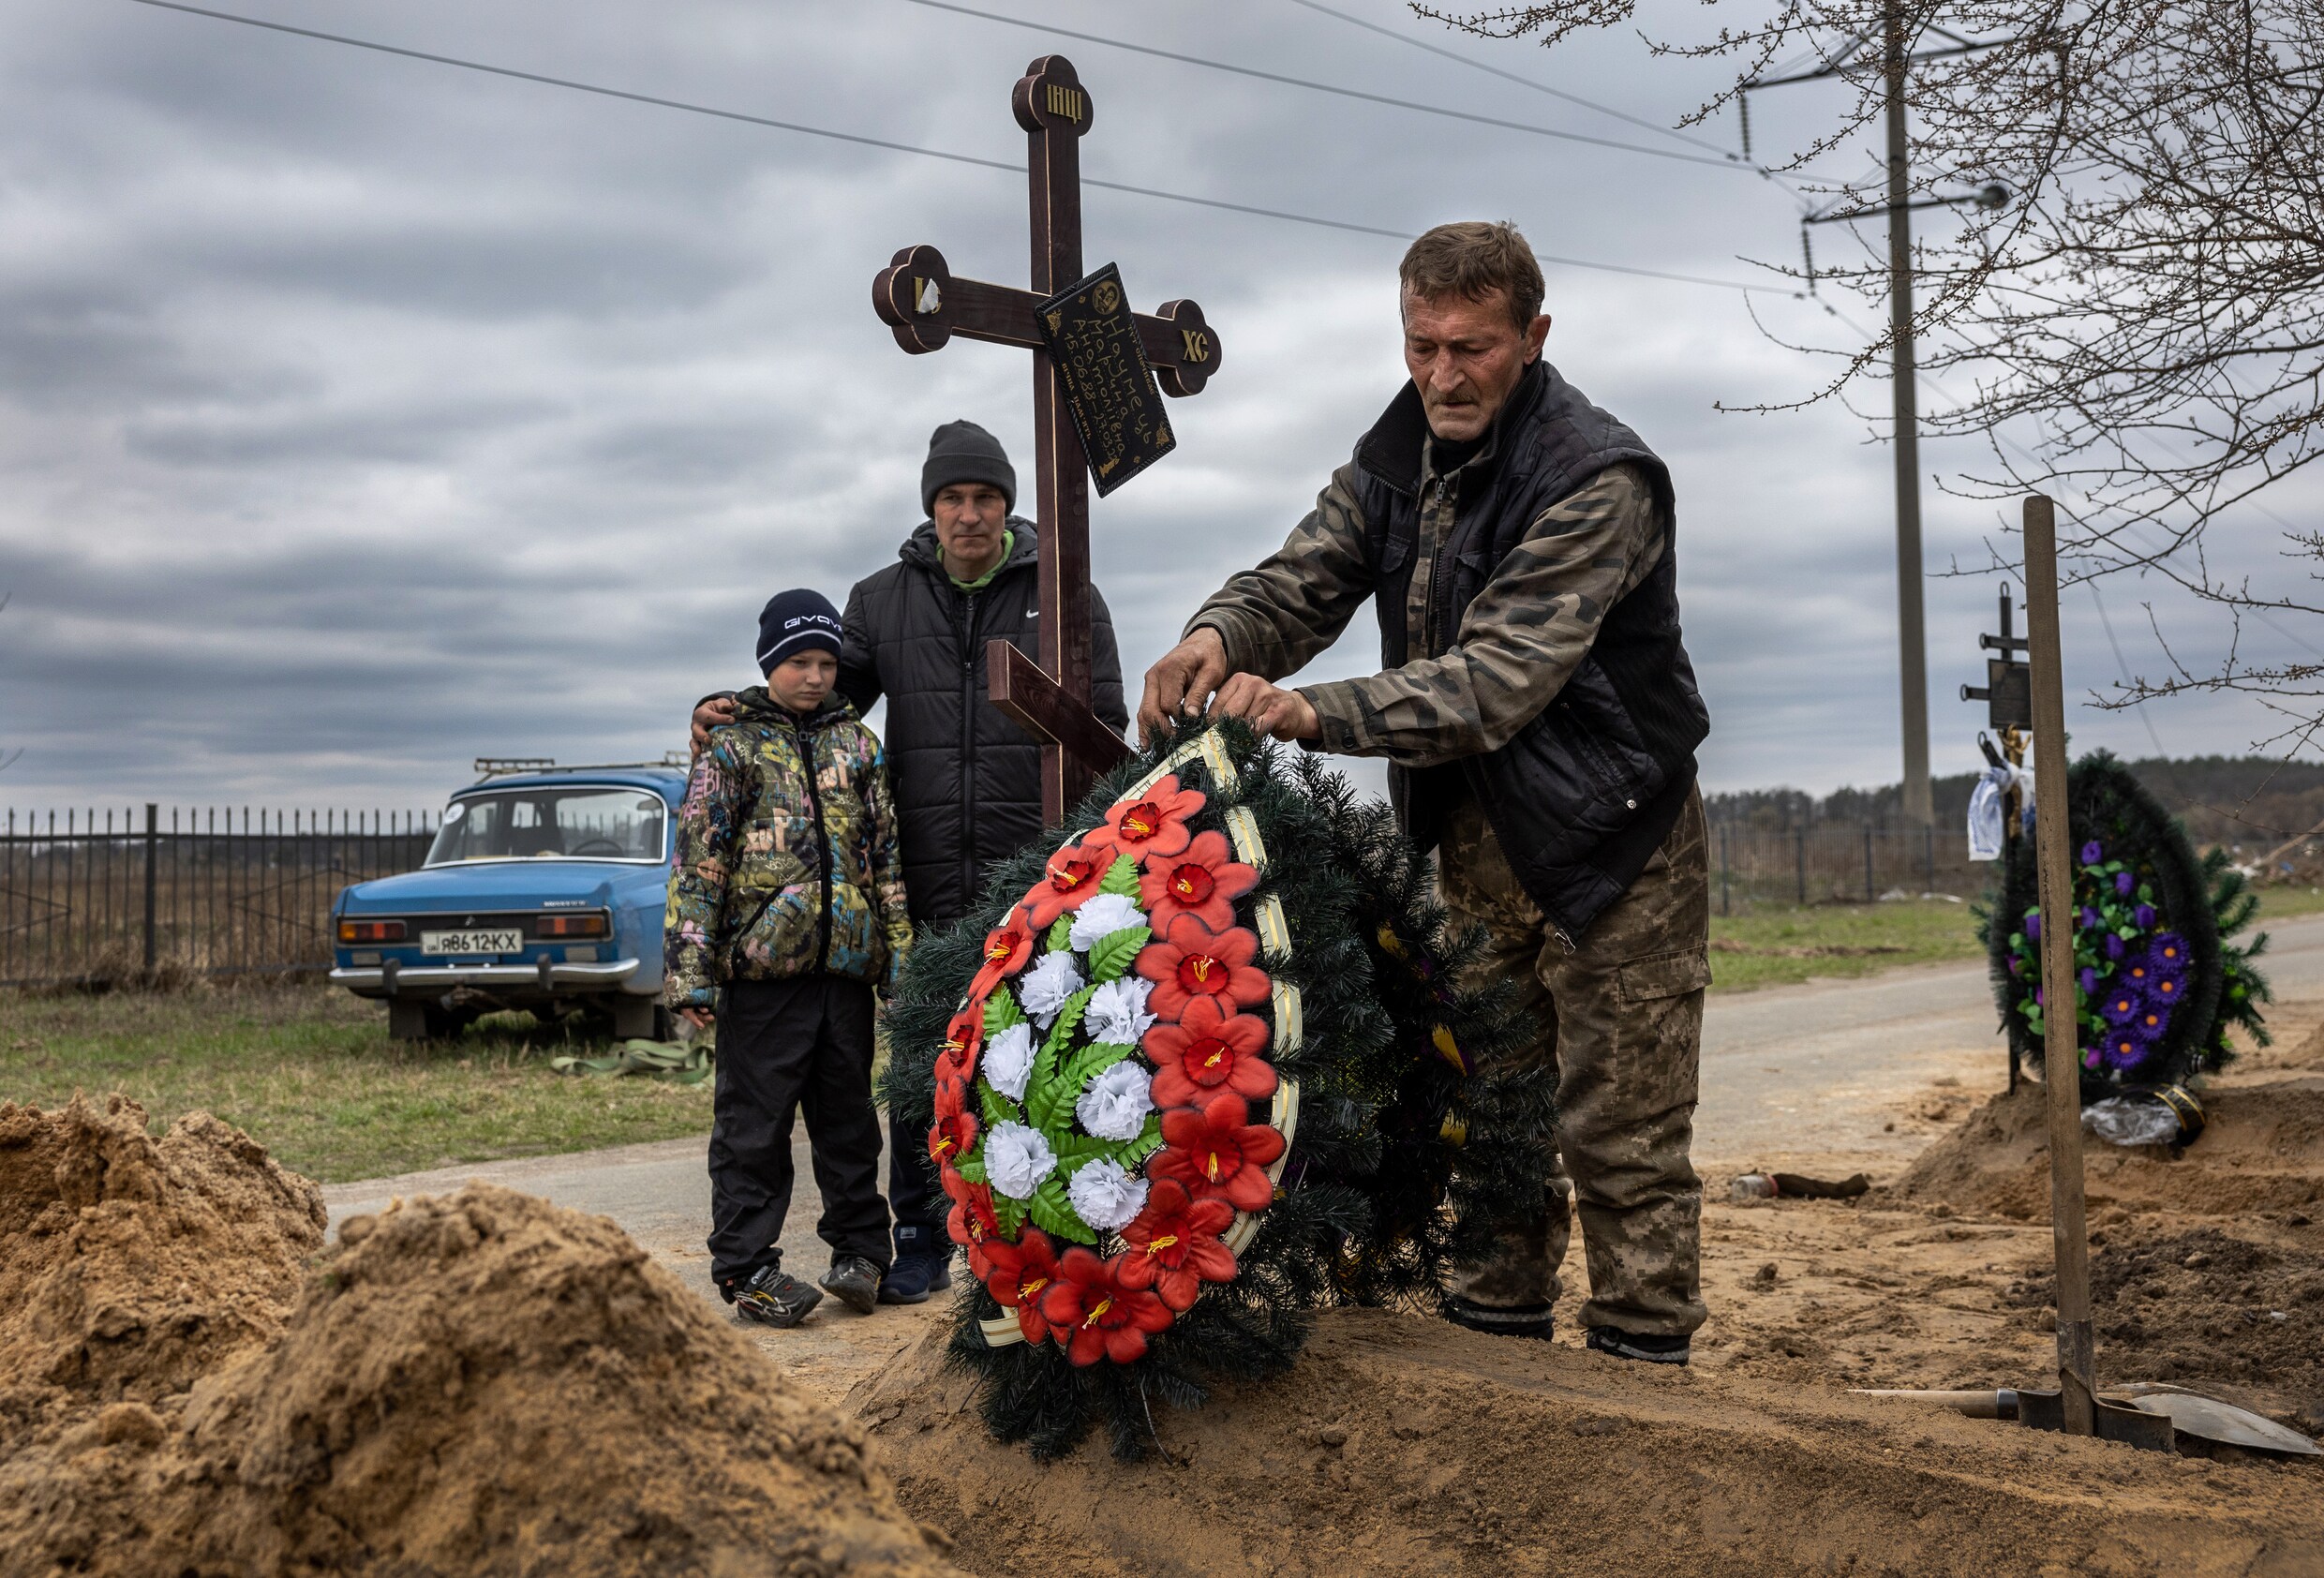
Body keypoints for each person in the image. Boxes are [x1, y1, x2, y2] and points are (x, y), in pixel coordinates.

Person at [1140, 221, 1712, 1364]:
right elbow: (1302, 579)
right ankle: (1495, 1346)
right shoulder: (1394, 456)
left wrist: (1311, 712)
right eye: (1420, 346)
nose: (1443, 376)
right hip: (1470, 841)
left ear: (1532, 338)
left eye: (1472, 348)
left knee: (1619, 1133)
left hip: (1613, 846)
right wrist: (1217, 633)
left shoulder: (1598, 477)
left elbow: (1497, 681)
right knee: (1490, 1116)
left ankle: (1648, 1369)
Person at [691, 421, 1128, 1302]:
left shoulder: (1065, 593)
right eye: (953, 498)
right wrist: (729, 710)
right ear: (930, 507)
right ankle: (922, 1233)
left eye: (986, 498)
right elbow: (816, 702)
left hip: (1033, 875)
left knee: (1043, 1051)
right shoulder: (882, 599)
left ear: (1009, 505)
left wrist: (1092, 861)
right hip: (920, 871)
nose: (969, 515)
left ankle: (1047, 1226)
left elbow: (1105, 735)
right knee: (923, 1063)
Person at [666, 588, 916, 1329]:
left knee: (848, 1124)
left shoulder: (859, 747)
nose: (815, 676)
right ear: (770, 663)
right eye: (799, 662)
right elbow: (698, 865)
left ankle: (861, 1255)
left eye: (827, 663)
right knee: (753, 1130)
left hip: (843, 975)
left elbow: (887, 865)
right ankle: (749, 1271)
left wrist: (898, 961)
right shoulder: (733, 749)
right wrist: (691, 971)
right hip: (762, 982)